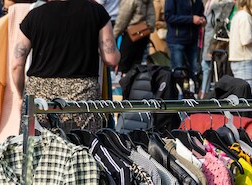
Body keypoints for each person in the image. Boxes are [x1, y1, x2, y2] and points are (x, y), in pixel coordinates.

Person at [11, 0, 119, 130]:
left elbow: (16, 64)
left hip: (39, 99)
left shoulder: (34, 15)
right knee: (81, 142)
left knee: (34, 142)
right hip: (81, 97)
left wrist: (20, 96)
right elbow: (111, 59)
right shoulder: (96, 12)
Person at [165, 0, 205, 80]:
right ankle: (177, 87)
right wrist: (191, 19)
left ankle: (193, 86)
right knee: (178, 72)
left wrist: (202, 19)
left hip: (193, 39)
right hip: (176, 40)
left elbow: (200, 12)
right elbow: (168, 17)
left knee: (194, 71)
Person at [115, 0, 156, 74]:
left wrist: (113, 35)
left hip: (130, 34)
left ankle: (124, 79)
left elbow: (122, 20)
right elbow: (151, 16)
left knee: (124, 63)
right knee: (137, 64)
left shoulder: (130, 1)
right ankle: (135, 79)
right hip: (144, 33)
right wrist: (149, 28)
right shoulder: (149, 1)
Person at [231, 0, 252, 91]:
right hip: (244, 59)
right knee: (246, 91)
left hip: (239, 59)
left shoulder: (237, 16)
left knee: (241, 92)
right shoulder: (245, 17)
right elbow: (246, 40)